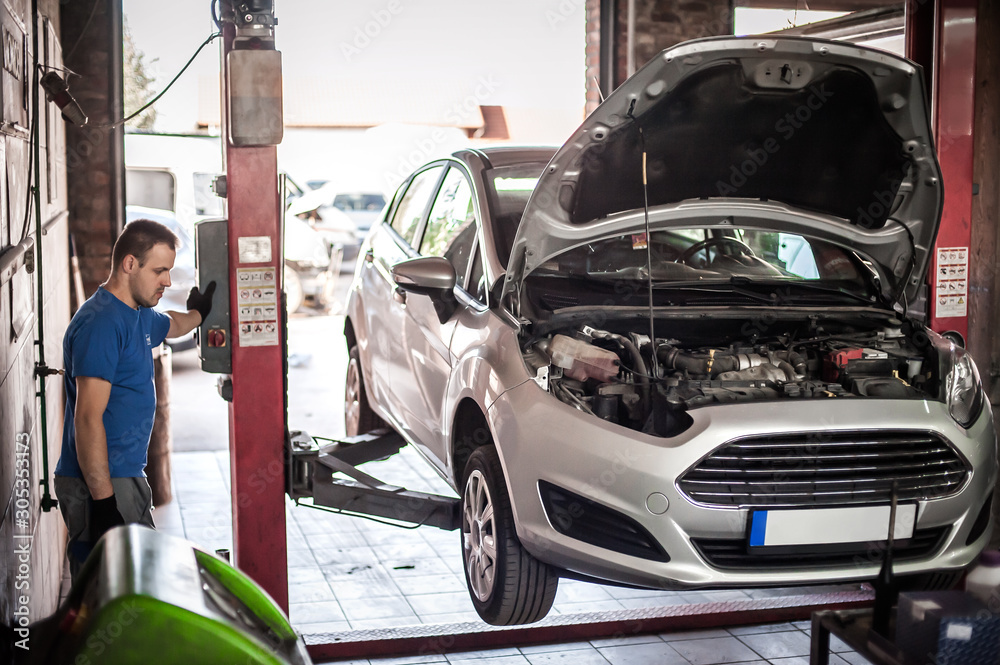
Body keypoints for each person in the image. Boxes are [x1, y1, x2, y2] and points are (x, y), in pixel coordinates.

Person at [53, 219, 216, 575]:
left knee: (133, 586)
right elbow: (86, 418)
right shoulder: (101, 324)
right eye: (160, 270)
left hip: (125, 475)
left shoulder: (137, 315)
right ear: (130, 264)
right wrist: (104, 503)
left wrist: (198, 313)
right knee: (111, 593)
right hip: (103, 482)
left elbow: (170, 324)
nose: (168, 281)